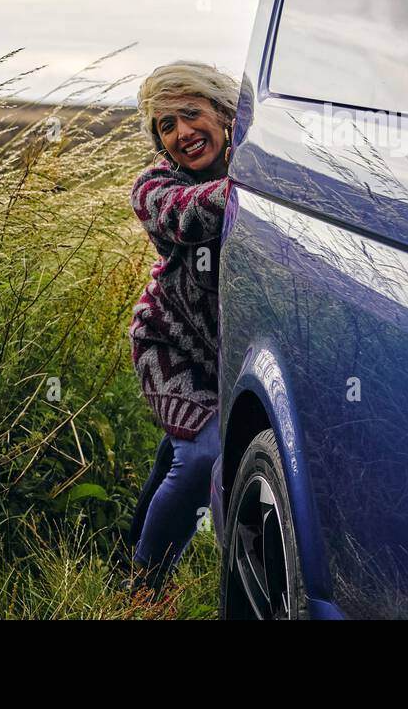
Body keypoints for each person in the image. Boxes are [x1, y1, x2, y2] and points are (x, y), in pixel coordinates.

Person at [124, 60, 239, 596]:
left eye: (191, 114)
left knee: (177, 451)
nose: (182, 133)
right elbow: (190, 215)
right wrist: (258, 183)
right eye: (166, 125)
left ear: (223, 112)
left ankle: (127, 561)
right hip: (168, 348)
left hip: (226, 352)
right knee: (203, 457)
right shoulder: (153, 188)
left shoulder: (246, 171)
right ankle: (144, 592)